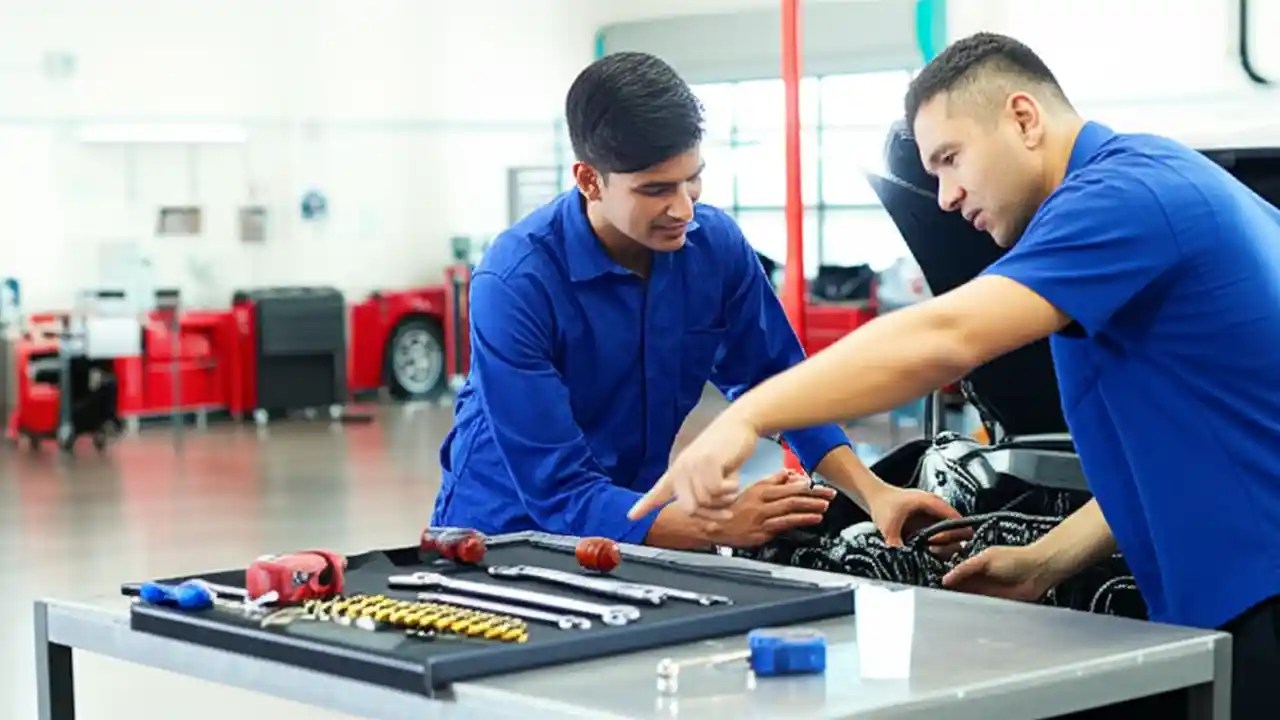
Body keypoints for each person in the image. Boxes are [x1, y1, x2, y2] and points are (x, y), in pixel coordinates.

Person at [629, 32, 1280, 716]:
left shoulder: (1121, 197)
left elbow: (947, 336)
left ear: (1024, 119)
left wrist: (748, 415)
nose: (943, 196)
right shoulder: (1158, 182)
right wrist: (1049, 559)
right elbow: (1178, 455)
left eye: (949, 158)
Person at [431, 51, 962, 551]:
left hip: (636, 526)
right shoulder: (516, 281)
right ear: (590, 180)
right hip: (502, 536)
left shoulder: (713, 248)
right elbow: (558, 491)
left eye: (694, 179)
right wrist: (717, 523)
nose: (683, 208)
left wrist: (872, 494)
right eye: (657, 190)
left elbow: (780, 384)